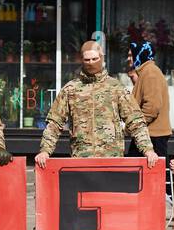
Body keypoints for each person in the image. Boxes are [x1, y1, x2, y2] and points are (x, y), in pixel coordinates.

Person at [35, 40, 158, 168]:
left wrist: (148, 150)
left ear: (101, 58)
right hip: (81, 160)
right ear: (82, 60)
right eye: (87, 60)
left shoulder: (115, 88)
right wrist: (45, 151)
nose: (91, 63)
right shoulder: (70, 89)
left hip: (111, 160)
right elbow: (54, 122)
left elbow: (135, 121)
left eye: (95, 59)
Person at [128, 40, 171, 158]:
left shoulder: (150, 72)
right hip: (147, 134)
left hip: (152, 135)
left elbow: (152, 106)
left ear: (140, 54)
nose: (128, 59)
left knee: (152, 174)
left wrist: (135, 125)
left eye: (131, 55)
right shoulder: (145, 72)